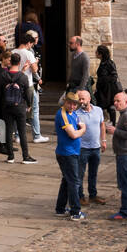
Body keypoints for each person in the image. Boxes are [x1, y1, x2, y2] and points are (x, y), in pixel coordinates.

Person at [105, 92, 127, 220]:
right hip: (126, 153)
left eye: (118, 101)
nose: (115, 103)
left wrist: (115, 131)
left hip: (126, 153)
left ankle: (125, 211)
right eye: (114, 100)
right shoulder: (124, 114)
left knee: (125, 183)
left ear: (126, 102)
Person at [54, 92, 87, 220]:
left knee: (67, 181)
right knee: (74, 181)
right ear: (65, 102)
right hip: (67, 153)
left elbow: (78, 124)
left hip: (72, 152)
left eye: (75, 104)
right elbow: (73, 134)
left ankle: (60, 208)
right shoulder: (62, 115)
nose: (72, 106)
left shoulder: (72, 113)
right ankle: (75, 211)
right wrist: (83, 130)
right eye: (70, 103)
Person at [0, 52, 36, 165]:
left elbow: (0, 91)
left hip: (7, 107)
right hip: (19, 106)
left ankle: (10, 156)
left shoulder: (3, 75)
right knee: (22, 132)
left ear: (10, 62)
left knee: (9, 131)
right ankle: (25, 156)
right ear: (19, 62)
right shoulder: (23, 77)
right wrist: (29, 105)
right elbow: (27, 93)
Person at [75, 90, 106, 207]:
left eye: (83, 99)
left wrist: (103, 140)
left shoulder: (98, 110)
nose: (81, 101)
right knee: (80, 174)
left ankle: (93, 195)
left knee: (93, 173)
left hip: (95, 147)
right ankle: (80, 196)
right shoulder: (77, 114)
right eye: (79, 99)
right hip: (82, 148)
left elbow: (102, 125)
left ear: (89, 99)